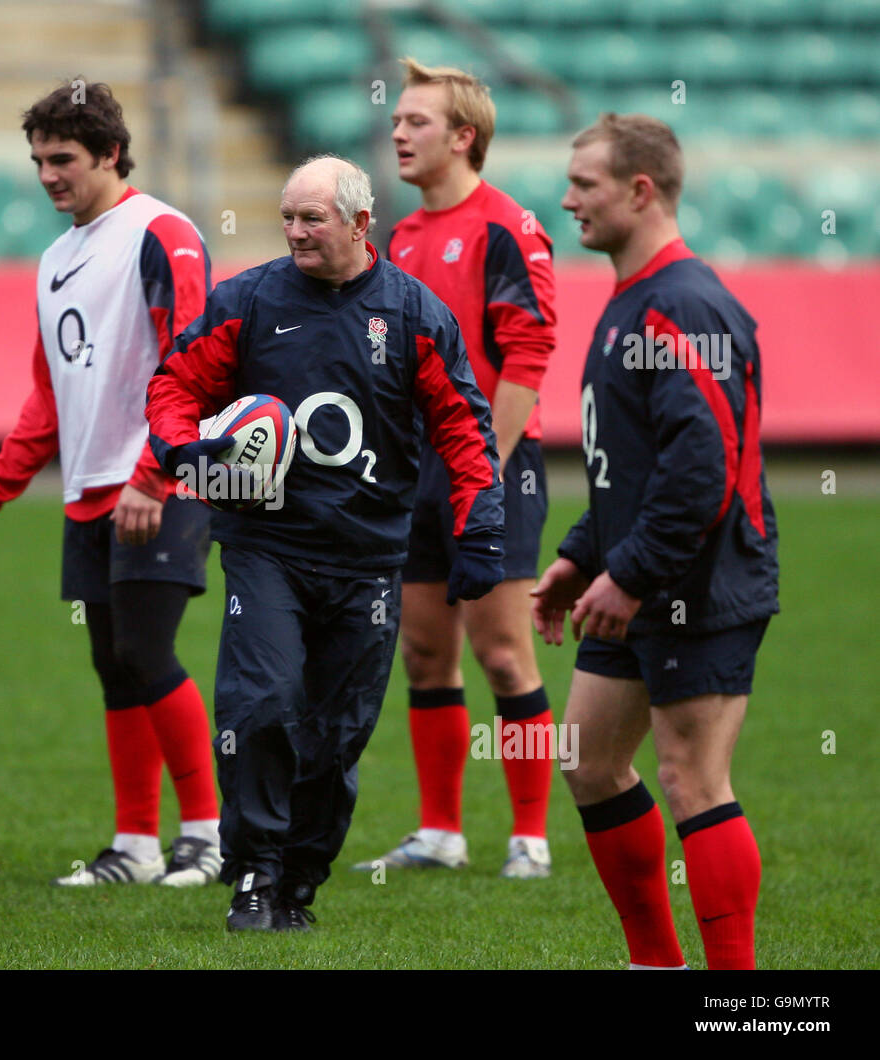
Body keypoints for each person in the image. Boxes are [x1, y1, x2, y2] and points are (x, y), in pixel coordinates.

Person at [146, 155, 506, 931]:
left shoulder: (415, 315)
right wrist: (184, 452)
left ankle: (298, 881)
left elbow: (464, 428)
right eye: (288, 217)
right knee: (263, 702)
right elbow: (175, 385)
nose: (298, 232)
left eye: (313, 219)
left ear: (358, 223)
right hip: (265, 545)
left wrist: (480, 529)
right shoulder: (246, 300)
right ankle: (254, 874)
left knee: (336, 735)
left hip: (370, 557)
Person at [0, 81, 222, 888]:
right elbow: (48, 391)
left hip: (158, 485)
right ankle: (135, 846)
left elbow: (194, 366)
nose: (46, 175)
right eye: (36, 160)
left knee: (146, 650)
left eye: (62, 158)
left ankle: (207, 835)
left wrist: (153, 476)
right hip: (90, 491)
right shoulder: (56, 257)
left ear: (109, 153)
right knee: (114, 664)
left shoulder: (161, 233)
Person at [532, 114, 778, 968]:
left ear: (641, 191)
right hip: (637, 577)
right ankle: (656, 964)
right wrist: (578, 554)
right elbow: (627, 463)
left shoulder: (685, 302)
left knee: (690, 780)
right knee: (590, 761)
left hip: (701, 581)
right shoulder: (632, 299)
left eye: (585, 184)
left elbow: (700, 472)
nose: (568, 200)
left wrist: (628, 574)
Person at [355, 59, 558, 879]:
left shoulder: (507, 226)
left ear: (464, 136)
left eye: (417, 122)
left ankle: (530, 838)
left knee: (504, 654)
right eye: (398, 120)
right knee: (424, 655)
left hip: (496, 467)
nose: (398, 132)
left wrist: (484, 472)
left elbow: (529, 355)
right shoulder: (399, 236)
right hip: (415, 473)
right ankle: (440, 831)